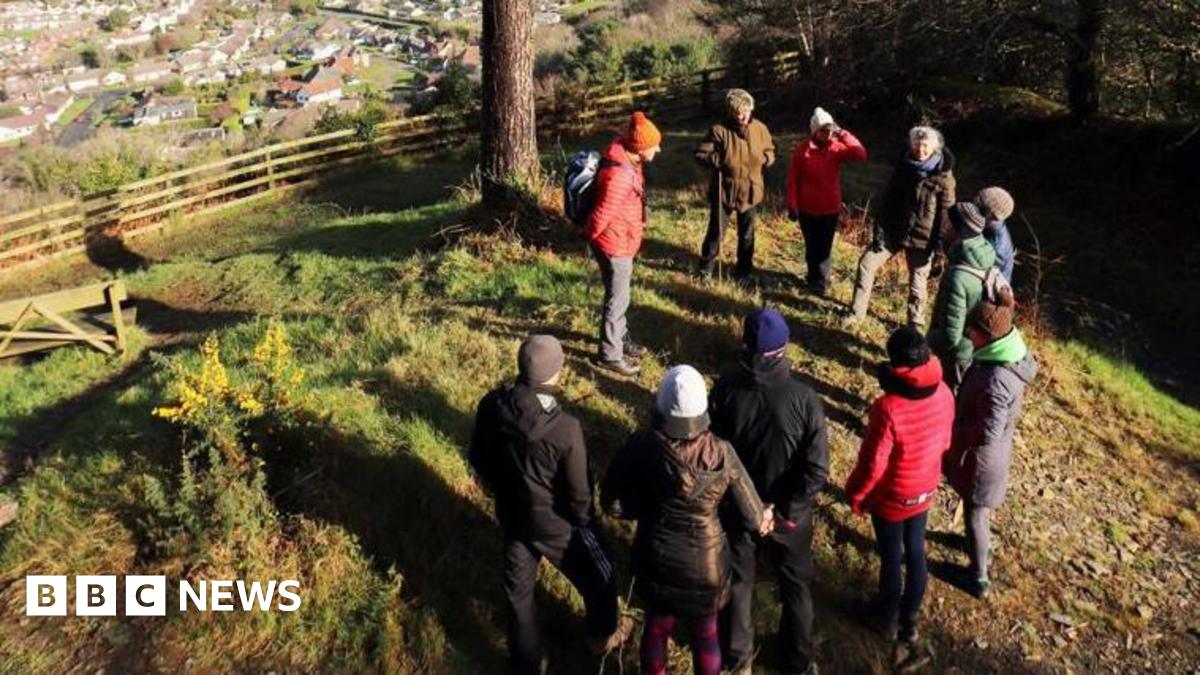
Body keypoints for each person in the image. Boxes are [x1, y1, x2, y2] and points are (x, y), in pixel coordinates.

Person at [469, 335, 632, 674]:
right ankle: (601, 636)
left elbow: (479, 457)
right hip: (559, 523)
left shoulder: (492, 404)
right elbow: (579, 493)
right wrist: (585, 521)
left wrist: (498, 488)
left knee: (518, 593)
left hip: (514, 515)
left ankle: (527, 663)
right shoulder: (565, 428)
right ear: (557, 373)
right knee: (602, 574)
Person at [602, 365, 771, 675]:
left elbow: (611, 504)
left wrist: (648, 509)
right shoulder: (722, 452)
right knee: (706, 635)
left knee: (656, 628)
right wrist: (765, 517)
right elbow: (753, 514)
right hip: (708, 565)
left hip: (657, 557)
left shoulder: (641, 446)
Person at [710, 308, 829, 675]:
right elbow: (816, 470)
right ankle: (797, 659)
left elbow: (714, 453)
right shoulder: (805, 399)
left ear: (745, 344)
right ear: (783, 348)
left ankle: (738, 658)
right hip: (790, 516)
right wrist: (780, 510)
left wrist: (751, 507)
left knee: (739, 580)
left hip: (737, 508)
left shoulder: (726, 388)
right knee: (795, 584)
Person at [844, 327, 954, 645]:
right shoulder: (945, 392)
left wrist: (857, 494)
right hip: (926, 487)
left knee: (892, 557)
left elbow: (872, 464)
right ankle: (910, 619)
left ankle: (886, 618)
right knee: (916, 549)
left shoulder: (888, 408)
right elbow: (945, 440)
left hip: (892, 498)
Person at [944, 290, 1036, 598]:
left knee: (976, 511)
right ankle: (974, 544)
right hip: (992, 455)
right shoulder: (1007, 357)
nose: (969, 333)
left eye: (973, 330)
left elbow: (987, 432)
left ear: (988, 337)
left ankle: (978, 575)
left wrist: (955, 431)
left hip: (983, 460)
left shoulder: (997, 378)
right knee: (976, 511)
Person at [844, 126, 956, 327]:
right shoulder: (903, 166)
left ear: (935, 148)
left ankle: (915, 326)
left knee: (917, 285)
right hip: (894, 232)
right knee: (866, 264)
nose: (920, 150)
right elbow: (887, 200)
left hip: (923, 239)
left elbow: (946, 216)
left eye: (925, 146)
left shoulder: (945, 179)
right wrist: (879, 230)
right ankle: (856, 313)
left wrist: (940, 250)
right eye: (917, 144)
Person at [585, 110, 662, 376]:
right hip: (614, 244)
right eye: (654, 146)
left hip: (619, 239)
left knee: (620, 296)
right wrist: (591, 239)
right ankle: (610, 354)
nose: (658, 150)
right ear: (640, 149)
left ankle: (620, 339)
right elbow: (601, 215)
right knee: (617, 300)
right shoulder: (620, 175)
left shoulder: (627, 160)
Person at [786, 107, 868, 296]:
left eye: (830, 130)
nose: (828, 133)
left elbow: (860, 154)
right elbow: (793, 179)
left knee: (824, 248)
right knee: (811, 246)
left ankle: (821, 282)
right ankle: (812, 276)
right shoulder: (802, 150)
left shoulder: (836, 147)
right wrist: (792, 204)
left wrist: (842, 133)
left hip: (829, 209)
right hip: (806, 209)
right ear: (815, 131)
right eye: (824, 130)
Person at [695, 89, 776, 282]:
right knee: (716, 233)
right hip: (724, 191)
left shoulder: (760, 129)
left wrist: (766, 158)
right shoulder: (719, 130)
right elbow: (699, 154)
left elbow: (770, 151)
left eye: (745, 111)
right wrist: (714, 159)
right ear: (731, 112)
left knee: (747, 235)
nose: (742, 116)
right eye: (738, 112)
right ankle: (705, 270)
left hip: (750, 191)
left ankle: (744, 273)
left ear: (751, 109)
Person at [928, 202, 997, 391]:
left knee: (949, 400)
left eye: (948, 223)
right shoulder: (983, 257)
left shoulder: (957, 277)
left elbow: (950, 337)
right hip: (975, 350)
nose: (944, 228)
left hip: (956, 356)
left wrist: (927, 341)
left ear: (958, 229)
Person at [975, 186, 1016, 283]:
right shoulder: (991, 226)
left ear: (990, 215)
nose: (973, 206)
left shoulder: (994, 247)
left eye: (978, 205)